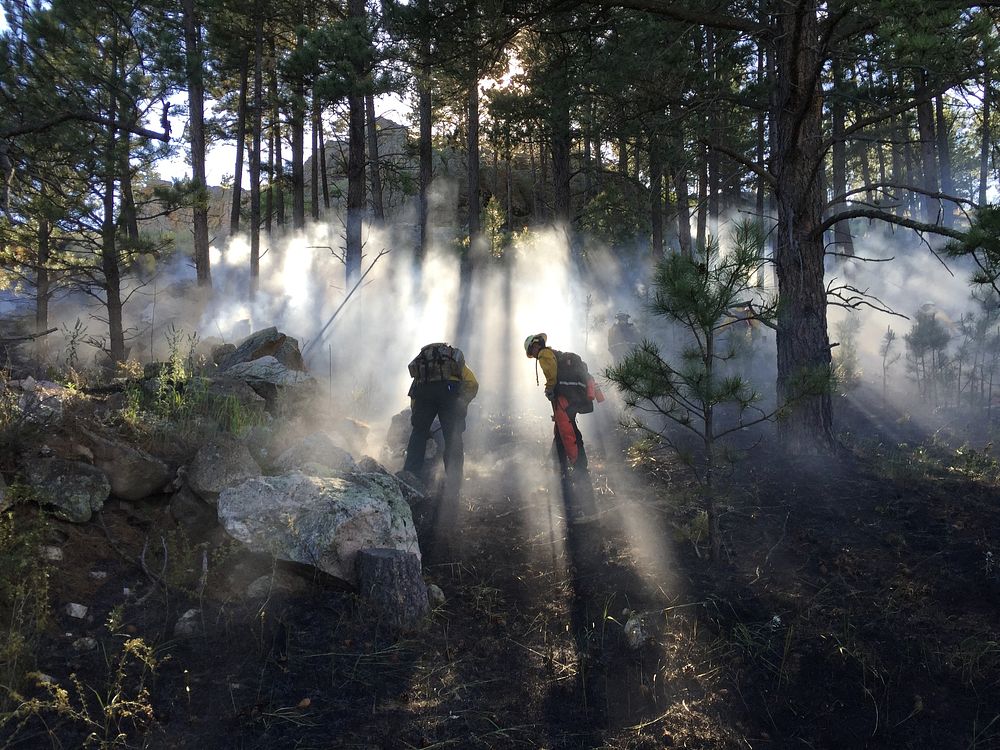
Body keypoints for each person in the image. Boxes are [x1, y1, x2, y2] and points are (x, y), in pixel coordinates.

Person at [400, 342, 478, 500]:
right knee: (453, 437)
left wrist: (418, 422)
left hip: (423, 392)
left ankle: (409, 479)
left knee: (418, 435)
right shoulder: (453, 360)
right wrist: (462, 403)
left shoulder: (424, 366)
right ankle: (454, 484)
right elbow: (472, 383)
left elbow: (414, 395)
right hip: (449, 390)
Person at [524, 333, 588, 478]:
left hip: (563, 398)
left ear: (535, 346)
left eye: (531, 351)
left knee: (568, 431)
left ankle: (579, 467)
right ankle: (556, 464)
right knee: (561, 430)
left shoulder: (544, 354)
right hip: (572, 396)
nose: (533, 355)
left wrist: (549, 389)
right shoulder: (554, 353)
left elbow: (551, 373)